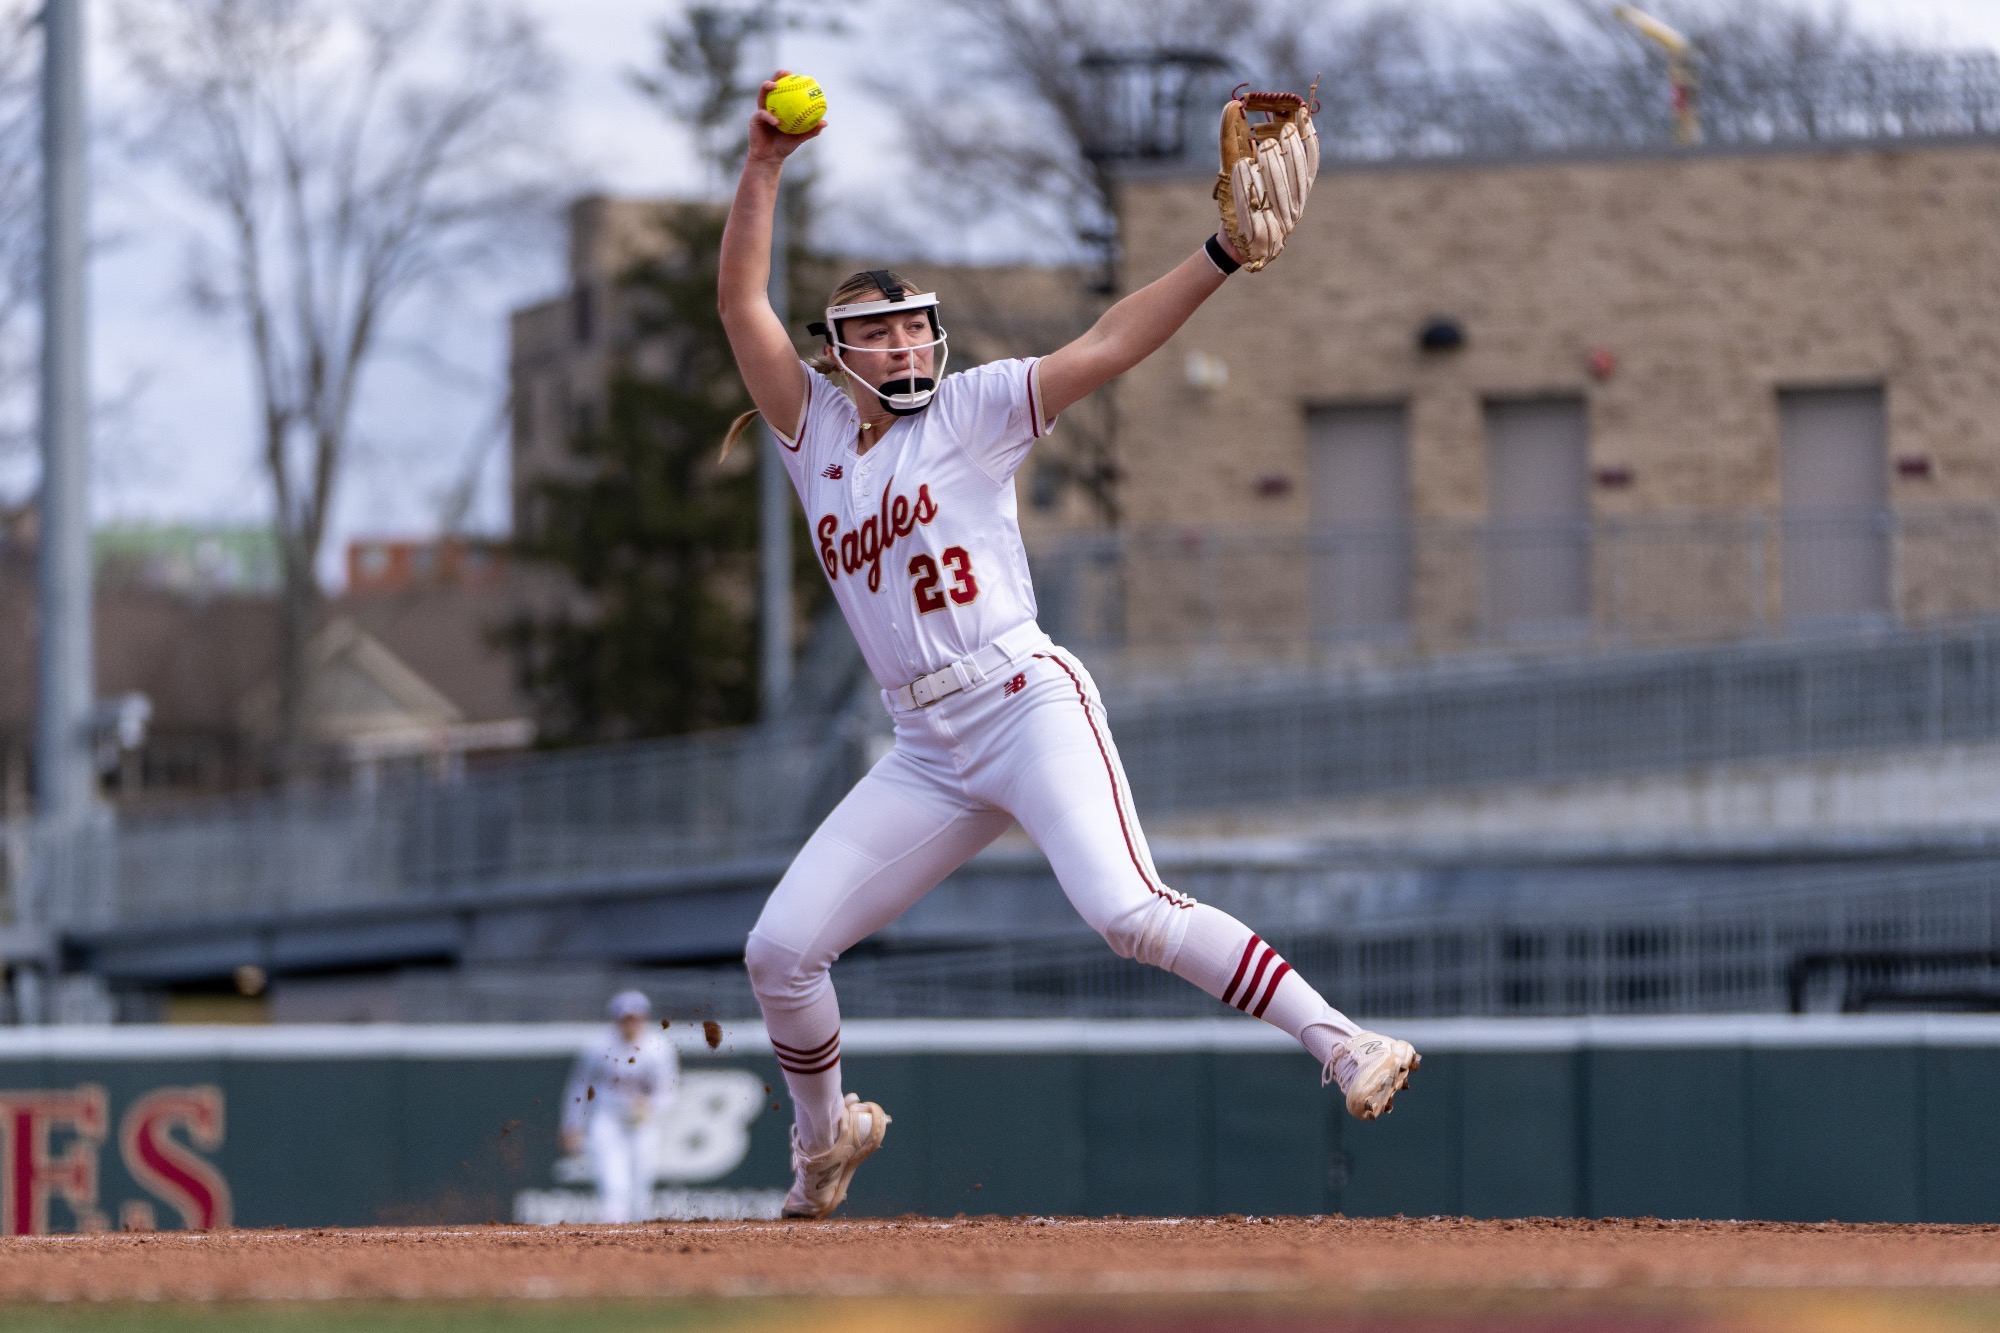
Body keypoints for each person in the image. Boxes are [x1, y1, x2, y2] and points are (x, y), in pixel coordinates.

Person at [717, 72, 1419, 1223]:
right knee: (778, 951)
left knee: (1126, 910)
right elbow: (740, 297)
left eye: (913, 325)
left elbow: (1108, 341)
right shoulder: (813, 435)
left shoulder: (974, 408)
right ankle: (823, 1138)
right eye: (876, 333)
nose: (902, 344)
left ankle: (1342, 1042)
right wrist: (762, 164)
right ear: (837, 355)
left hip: (1021, 699)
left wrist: (1217, 254)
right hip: (922, 749)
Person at [561, 990, 679, 1224]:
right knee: (613, 1182)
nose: (630, 1024)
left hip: (643, 1122)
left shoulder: (658, 1048)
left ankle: (640, 1238)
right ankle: (613, 1234)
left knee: (641, 1183)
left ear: (644, 1019)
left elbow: (668, 1091)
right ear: (616, 1020)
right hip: (608, 1117)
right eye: (625, 1019)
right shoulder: (598, 1045)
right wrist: (573, 1125)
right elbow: (579, 1088)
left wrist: (650, 1107)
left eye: (635, 1019)